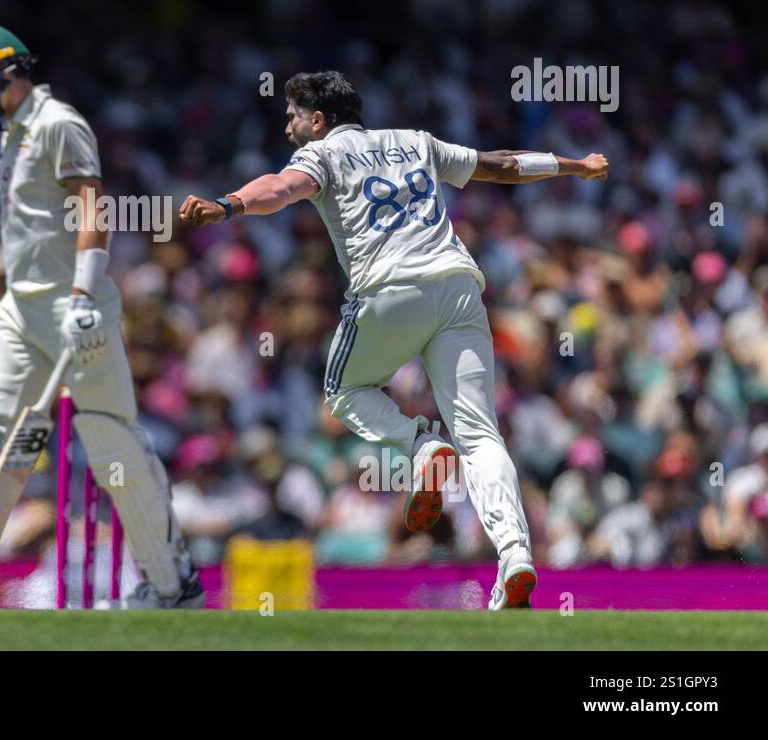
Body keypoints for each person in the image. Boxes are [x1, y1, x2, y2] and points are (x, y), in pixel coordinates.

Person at [180, 70, 609, 609]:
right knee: (480, 434)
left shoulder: (322, 156)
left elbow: (279, 189)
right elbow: (497, 165)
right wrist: (573, 165)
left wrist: (227, 205)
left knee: (342, 392)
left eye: (292, 116)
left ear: (318, 120)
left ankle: (421, 447)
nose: (287, 126)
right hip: (458, 285)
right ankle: (516, 553)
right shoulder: (416, 142)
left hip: (388, 291)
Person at [0, 24, 200, 608]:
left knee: (113, 446)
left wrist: (83, 295)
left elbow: (93, 206)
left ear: (4, 70)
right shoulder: (11, 136)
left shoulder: (58, 122)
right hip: (21, 308)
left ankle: (170, 585)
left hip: (73, 308)